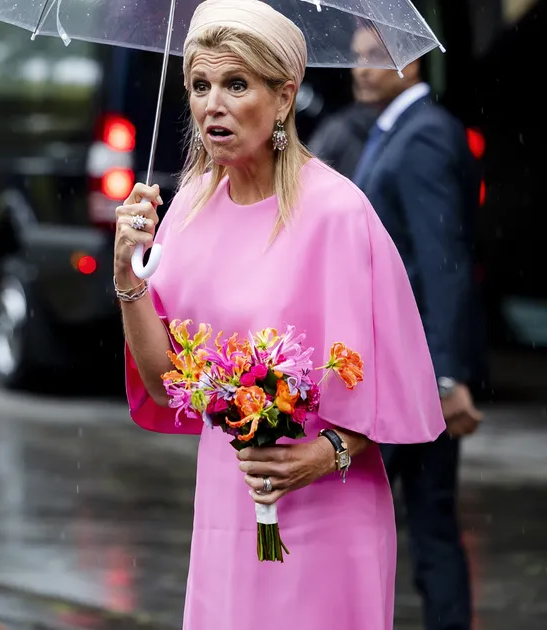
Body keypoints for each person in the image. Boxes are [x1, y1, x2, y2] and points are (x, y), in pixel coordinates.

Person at [116, 1, 444, 628]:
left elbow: (388, 392)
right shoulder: (188, 207)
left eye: (236, 84)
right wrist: (128, 278)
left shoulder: (338, 213)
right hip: (226, 498)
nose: (213, 104)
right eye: (200, 85)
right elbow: (164, 385)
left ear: (284, 96)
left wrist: (324, 454)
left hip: (327, 511)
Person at [350, 27, 484, 630]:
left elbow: (442, 261)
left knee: (396, 515)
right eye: (356, 58)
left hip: (416, 372)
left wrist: (446, 375)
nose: (360, 69)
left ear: (413, 62)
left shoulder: (424, 134)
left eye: (374, 58)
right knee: (428, 519)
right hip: (408, 364)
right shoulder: (395, 131)